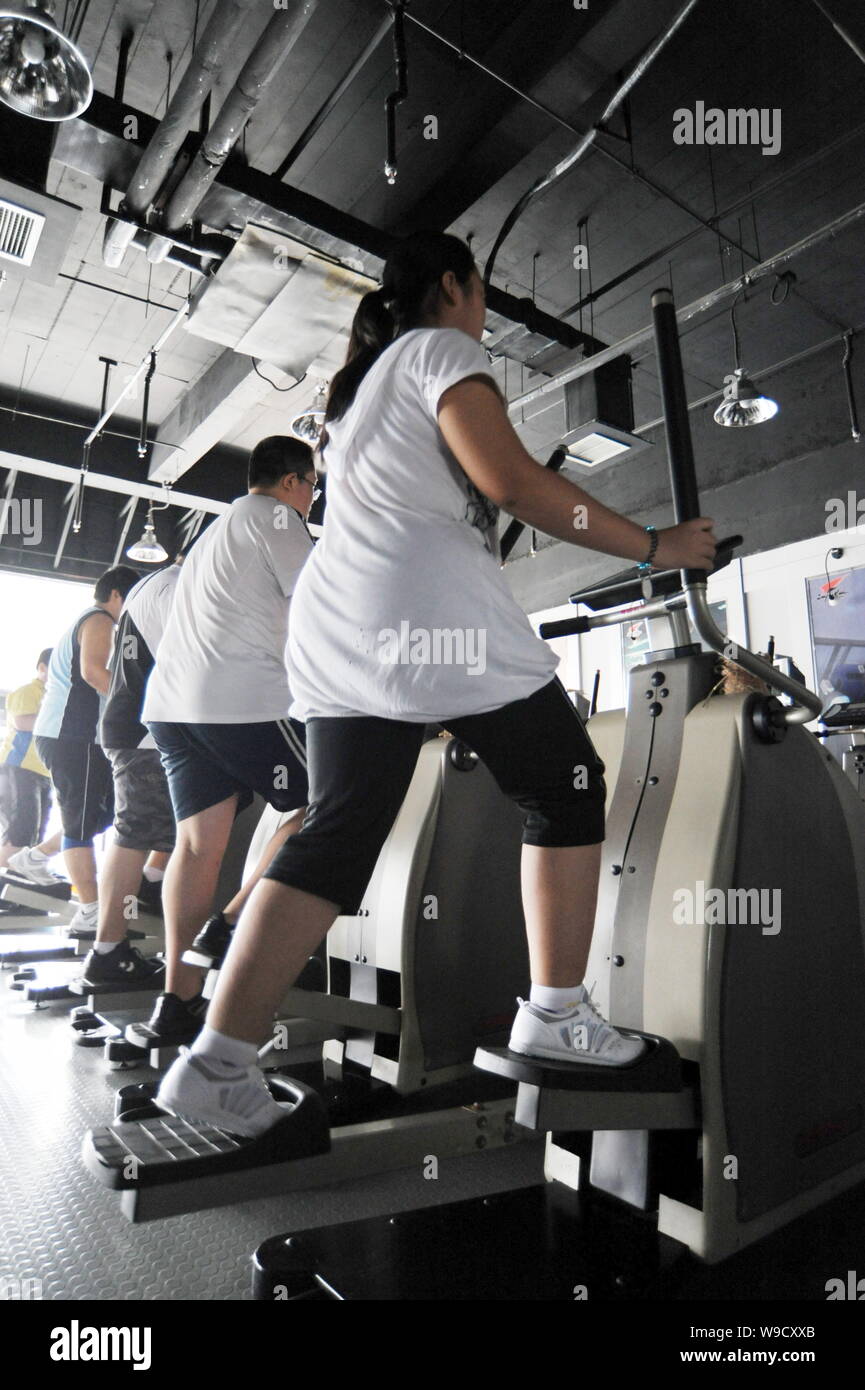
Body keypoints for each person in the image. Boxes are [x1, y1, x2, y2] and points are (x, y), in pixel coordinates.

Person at [157, 230, 716, 1138]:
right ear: (452, 286)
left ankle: (215, 1062)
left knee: (332, 841)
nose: (485, 310)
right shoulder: (440, 348)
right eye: (481, 291)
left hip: (343, 635)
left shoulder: (362, 394)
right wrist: (659, 547)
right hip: (429, 624)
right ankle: (556, 1011)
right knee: (566, 786)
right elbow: (517, 485)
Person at [136, 437, 315, 1047]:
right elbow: (320, 600)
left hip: (171, 707)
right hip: (238, 702)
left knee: (194, 847)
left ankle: (176, 1002)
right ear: (293, 481)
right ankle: (232, 922)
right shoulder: (276, 517)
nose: (310, 502)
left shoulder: (212, 534)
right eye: (311, 487)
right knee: (323, 803)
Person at [75, 557, 186, 989]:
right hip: (142, 731)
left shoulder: (145, 593)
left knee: (139, 830)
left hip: (130, 727)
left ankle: (147, 888)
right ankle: (110, 950)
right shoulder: (175, 591)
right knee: (135, 831)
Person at [33, 567, 140, 934]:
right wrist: (141, 703)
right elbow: (95, 672)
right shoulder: (99, 621)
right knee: (81, 820)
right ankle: (91, 907)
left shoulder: (91, 621)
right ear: (115, 596)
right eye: (130, 600)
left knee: (103, 812)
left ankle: (35, 857)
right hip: (71, 735)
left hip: (73, 737)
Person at [1, 650, 62, 878]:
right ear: (42, 668)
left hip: (42, 774)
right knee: (20, 831)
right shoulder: (29, 691)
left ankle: (19, 884)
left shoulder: (55, 697)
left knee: (36, 832)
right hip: (18, 769)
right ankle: (6, 886)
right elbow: (22, 721)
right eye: (55, 668)